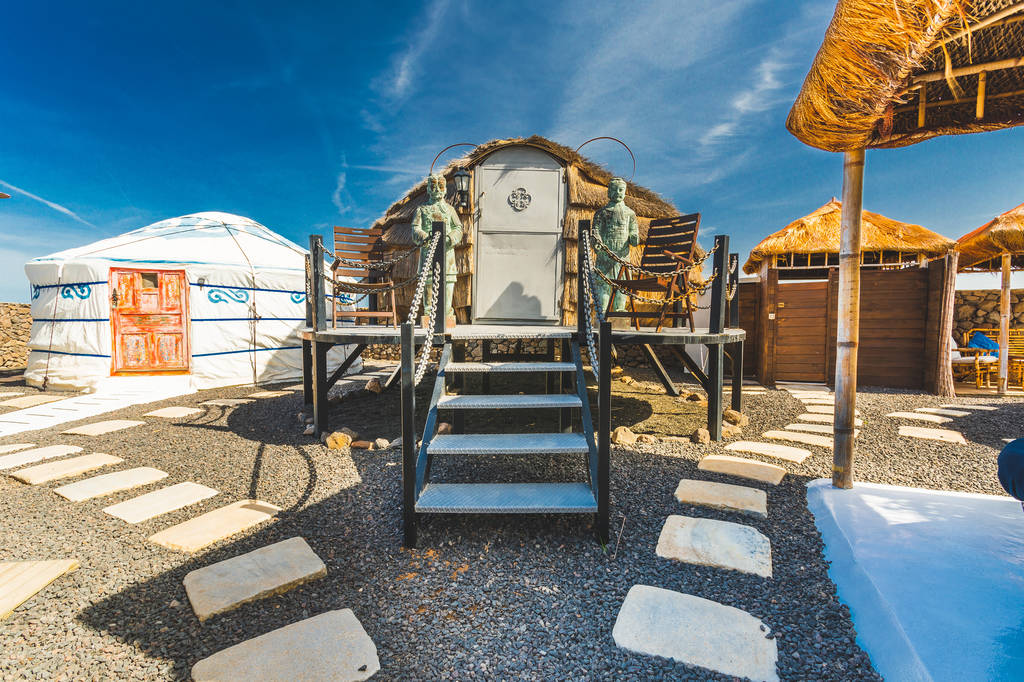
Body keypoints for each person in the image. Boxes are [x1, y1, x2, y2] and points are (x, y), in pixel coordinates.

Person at [411, 173, 463, 322]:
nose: (437, 190)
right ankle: (429, 313)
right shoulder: (421, 210)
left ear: (445, 189)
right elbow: (415, 228)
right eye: (433, 187)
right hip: (428, 250)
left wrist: (450, 238)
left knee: (448, 281)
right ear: (428, 189)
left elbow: (458, 228)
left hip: (447, 253)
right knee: (427, 281)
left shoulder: (450, 210)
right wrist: (424, 236)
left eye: (440, 187)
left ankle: (446, 313)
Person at [592, 177, 639, 313]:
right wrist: (597, 242)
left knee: (623, 285)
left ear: (625, 192)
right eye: (614, 189)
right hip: (605, 255)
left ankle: (619, 309)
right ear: (608, 192)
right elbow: (596, 231)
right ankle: (602, 311)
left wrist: (634, 237)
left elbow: (634, 232)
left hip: (622, 255)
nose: (617, 192)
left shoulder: (630, 213)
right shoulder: (601, 213)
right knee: (604, 284)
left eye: (620, 190)